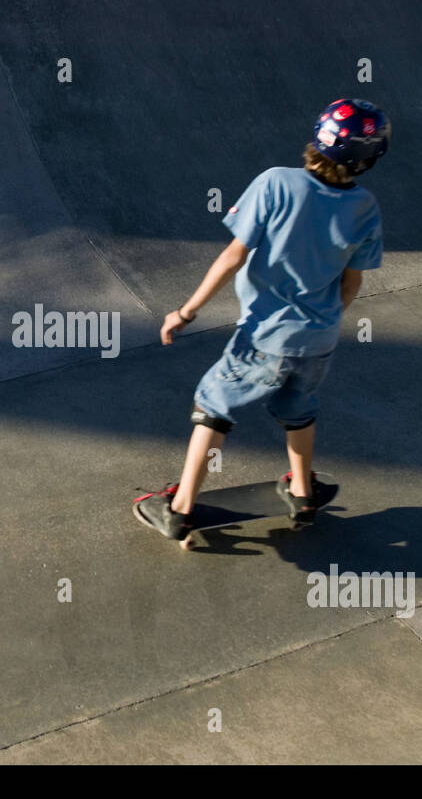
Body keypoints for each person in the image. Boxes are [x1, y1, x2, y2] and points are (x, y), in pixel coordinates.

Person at [133, 98, 391, 548]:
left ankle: (179, 509)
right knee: (298, 408)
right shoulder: (365, 207)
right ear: (367, 158)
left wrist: (186, 310)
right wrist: (323, 319)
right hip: (319, 340)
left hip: (263, 337)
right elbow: (352, 285)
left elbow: (233, 256)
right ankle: (302, 493)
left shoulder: (275, 183)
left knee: (213, 405)